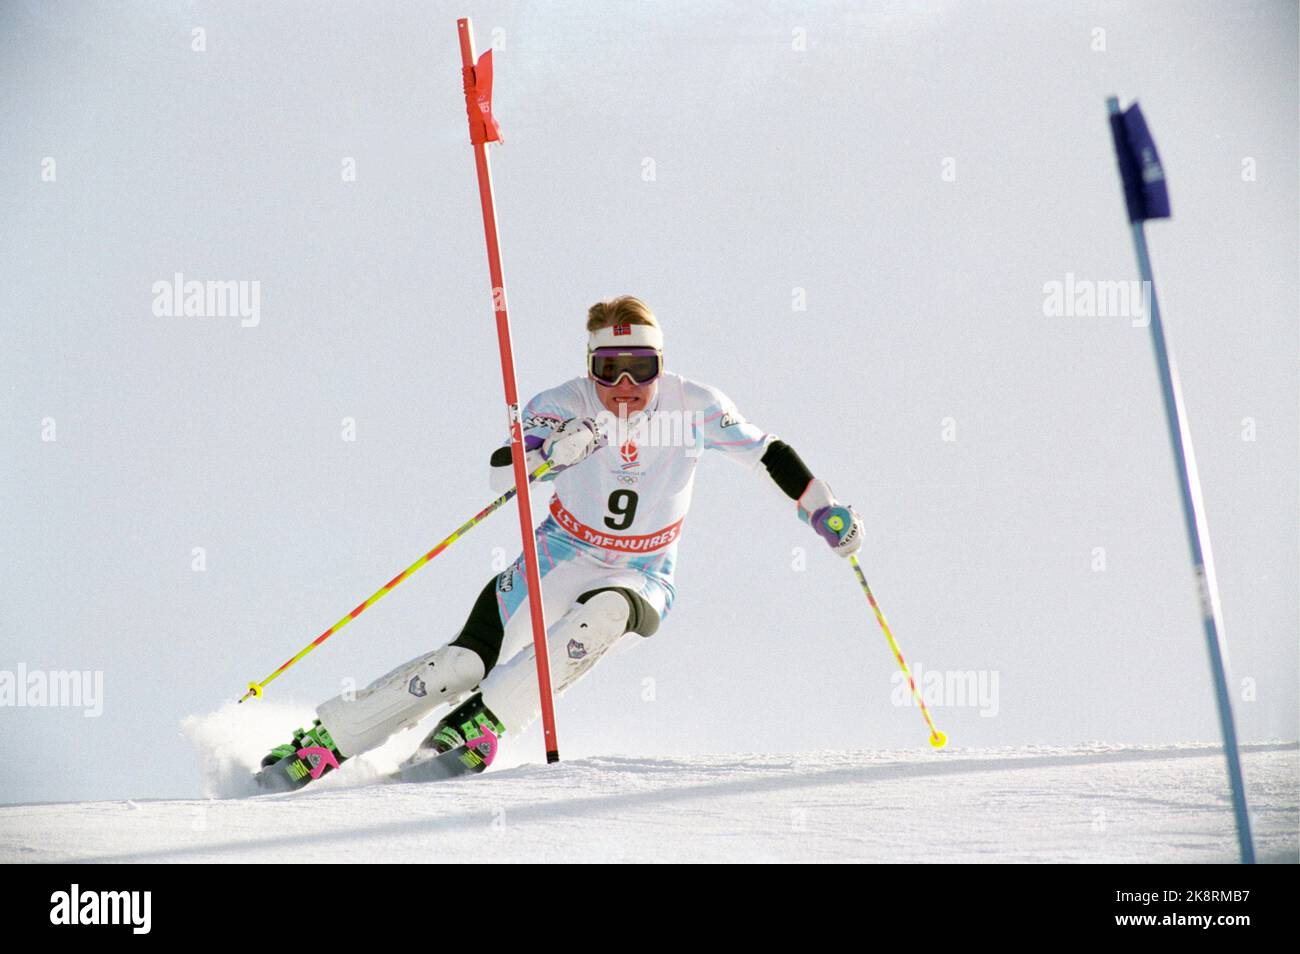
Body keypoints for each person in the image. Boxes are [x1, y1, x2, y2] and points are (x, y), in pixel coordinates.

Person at [257, 295, 863, 790]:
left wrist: (823, 511)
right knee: (466, 661)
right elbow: (501, 474)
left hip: (644, 570)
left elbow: (767, 454)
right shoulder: (562, 405)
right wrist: (551, 452)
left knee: (605, 614)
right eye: (609, 370)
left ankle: (484, 721)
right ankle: (328, 739)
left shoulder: (695, 405)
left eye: (642, 369)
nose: (625, 386)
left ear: (661, 364)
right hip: (559, 554)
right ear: (590, 366)